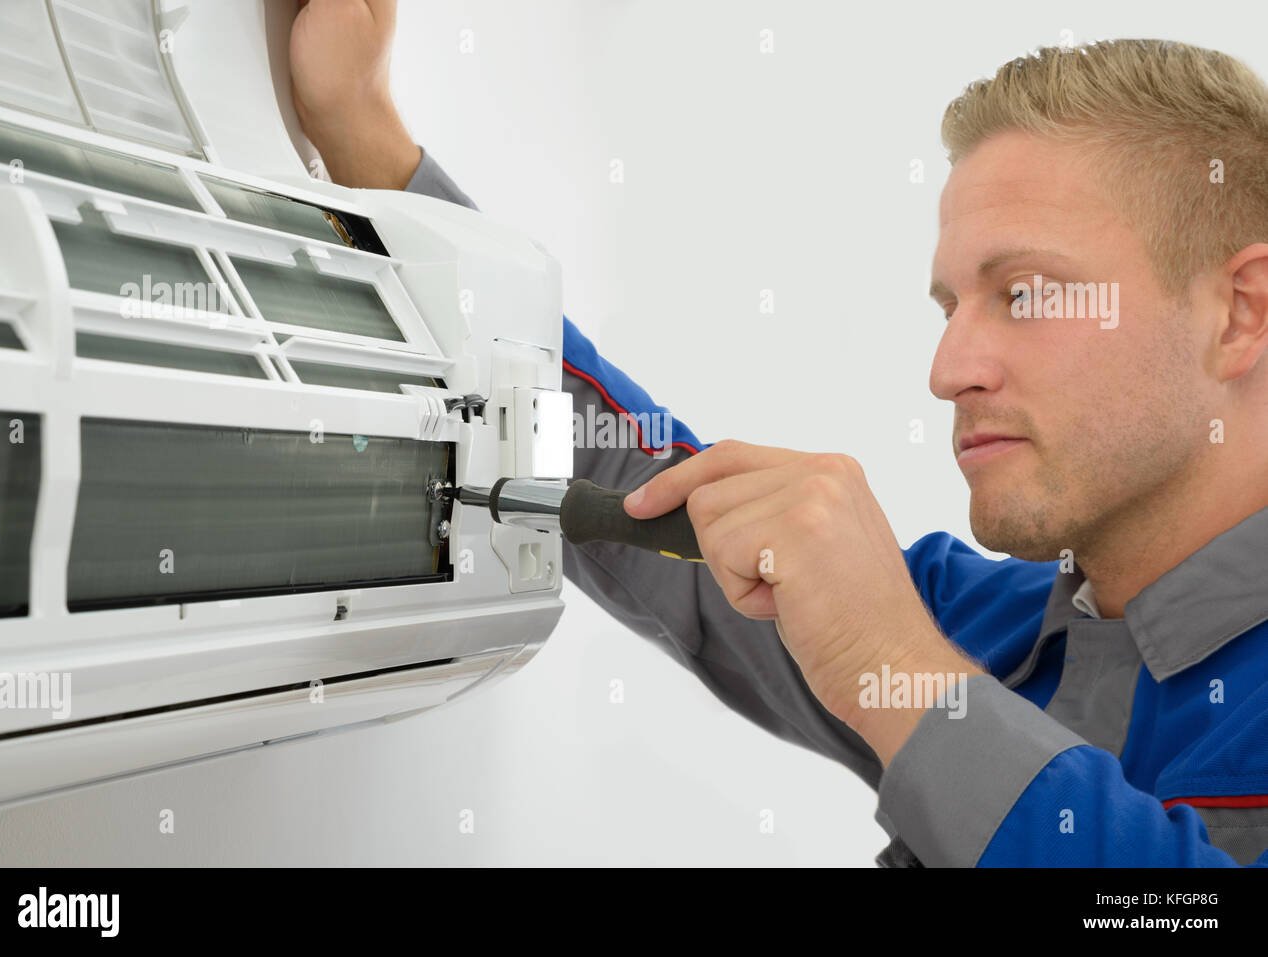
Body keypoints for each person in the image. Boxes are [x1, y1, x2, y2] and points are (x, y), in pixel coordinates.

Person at [290, 0, 1268, 867]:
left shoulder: (924, 646)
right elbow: (649, 494)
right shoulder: (984, 630)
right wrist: (367, 143)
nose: (946, 371)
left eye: (1024, 293)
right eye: (948, 307)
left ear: (1238, 313)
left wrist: (905, 670)